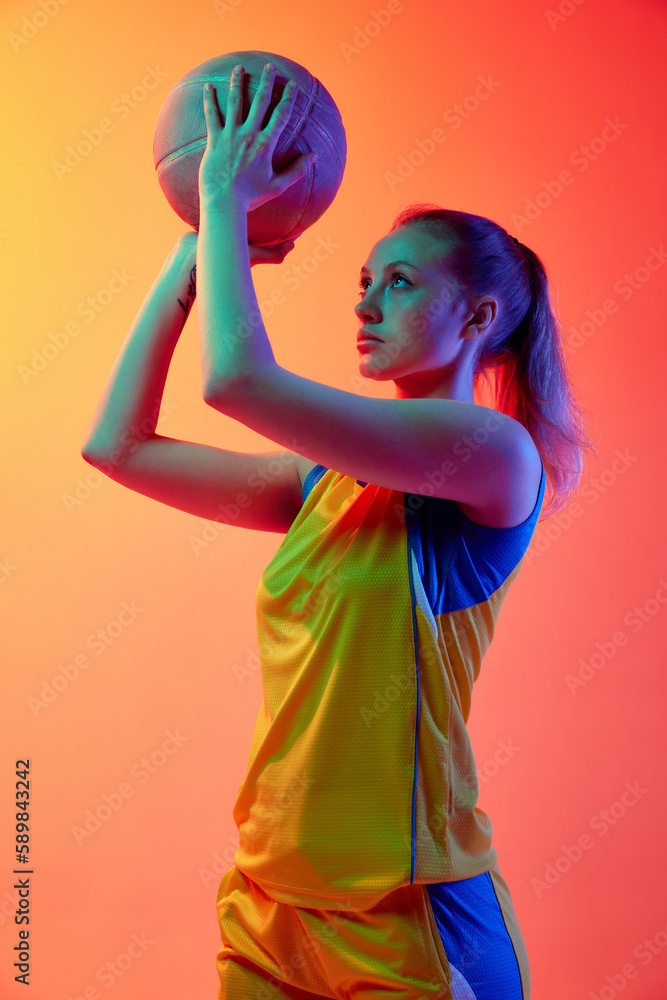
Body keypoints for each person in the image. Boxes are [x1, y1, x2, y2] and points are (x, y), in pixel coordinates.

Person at [81, 64, 595, 1000]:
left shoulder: (491, 454)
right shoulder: (320, 483)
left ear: (477, 317)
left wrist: (228, 207)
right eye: (363, 281)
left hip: (406, 911)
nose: (363, 304)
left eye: (398, 284)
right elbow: (116, 447)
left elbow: (238, 383)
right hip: (271, 901)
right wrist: (193, 252)